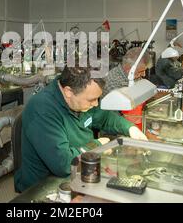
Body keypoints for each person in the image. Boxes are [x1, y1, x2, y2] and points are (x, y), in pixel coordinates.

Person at [14, 65, 147, 192]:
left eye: (98, 99)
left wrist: (130, 128)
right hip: (45, 185)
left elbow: (106, 117)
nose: (95, 104)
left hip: (83, 168)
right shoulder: (42, 109)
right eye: (91, 100)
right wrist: (97, 146)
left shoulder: (81, 100)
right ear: (68, 92)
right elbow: (64, 164)